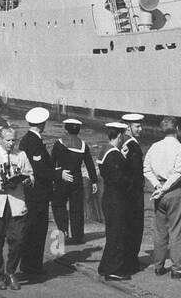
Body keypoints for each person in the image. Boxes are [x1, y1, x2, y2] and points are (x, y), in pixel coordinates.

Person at [0, 125, 33, 289]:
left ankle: (10, 271)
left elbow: (30, 173)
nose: (11, 144)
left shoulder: (21, 155)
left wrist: (27, 180)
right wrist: (2, 184)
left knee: (18, 240)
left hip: (16, 203)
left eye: (14, 140)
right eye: (8, 140)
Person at [145, 117, 181, 277]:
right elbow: (177, 173)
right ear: (177, 128)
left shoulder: (154, 147)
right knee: (177, 230)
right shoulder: (180, 148)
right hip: (174, 191)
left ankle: (158, 266)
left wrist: (157, 185)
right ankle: (177, 268)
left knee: (159, 231)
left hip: (158, 192)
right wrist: (164, 188)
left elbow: (146, 169)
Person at [18, 106, 56, 277]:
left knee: (31, 229)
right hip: (37, 193)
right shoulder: (34, 142)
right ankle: (33, 267)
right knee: (37, 230)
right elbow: (40, 170)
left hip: (31, 192)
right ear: (42, 123)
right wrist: (58, 173)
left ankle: (29, 265)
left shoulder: (26, 140)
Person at [51, 118, 98, 245]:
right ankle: (77, 236)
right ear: (78, 130)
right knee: (77, 209)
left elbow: (51, 163)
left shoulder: (59, 143)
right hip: (77, 180)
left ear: (66, 129)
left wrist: (55, 176)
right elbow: (90, 165)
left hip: (62, 178)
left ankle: (63, 231)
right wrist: (94, 181)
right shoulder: (83, 145)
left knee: (58, 205)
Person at [96, 122, 131, 279]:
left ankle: (105, 266)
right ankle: (114, 270)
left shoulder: (104, 150)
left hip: (108, 196)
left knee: (112, 234)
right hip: (117, 198)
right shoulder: (114, 154)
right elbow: (119, 178)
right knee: (117, 234)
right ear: (119, 136)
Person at [121, 113, 147, 270]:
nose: (140, 129)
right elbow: (135, 173)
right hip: (134, 194)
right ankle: (131, 262)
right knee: (135, 228)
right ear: (128, 127)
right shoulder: (133, 146)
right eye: (137, 126)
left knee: (127, 227)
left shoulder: (122, 142)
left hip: (125, 193)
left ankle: (127, 260)